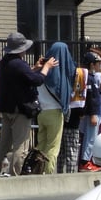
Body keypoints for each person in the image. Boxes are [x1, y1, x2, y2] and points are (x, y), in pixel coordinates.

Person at [0, 32, 57, 177]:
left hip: (7, 108)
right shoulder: (19, 64)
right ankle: (16, 176)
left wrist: (34, 68)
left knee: (4, 144)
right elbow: (37, 81)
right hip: (20, 109)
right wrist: (46, 67)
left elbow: (21, 77)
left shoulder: (6, 62)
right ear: (21, 49)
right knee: (21, 145)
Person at [34, 41, 77, 174]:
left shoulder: (42, 71)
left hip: (41, 113)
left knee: (41, 145)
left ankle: (36, 170)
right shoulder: (61, 76)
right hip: (55, 113)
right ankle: (48, 172)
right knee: (53, 146)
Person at [79, 50, 101, 171]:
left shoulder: (89, 77)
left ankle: (87, 161)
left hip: (92, 112)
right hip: (93, 112)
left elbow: (94, 95)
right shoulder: (91, 78)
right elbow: (91, 98)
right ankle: (85, 162)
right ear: (92, 64)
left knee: (90, 137)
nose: (100, 65)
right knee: (90, 138)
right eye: (98, 63)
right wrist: (93, 114)